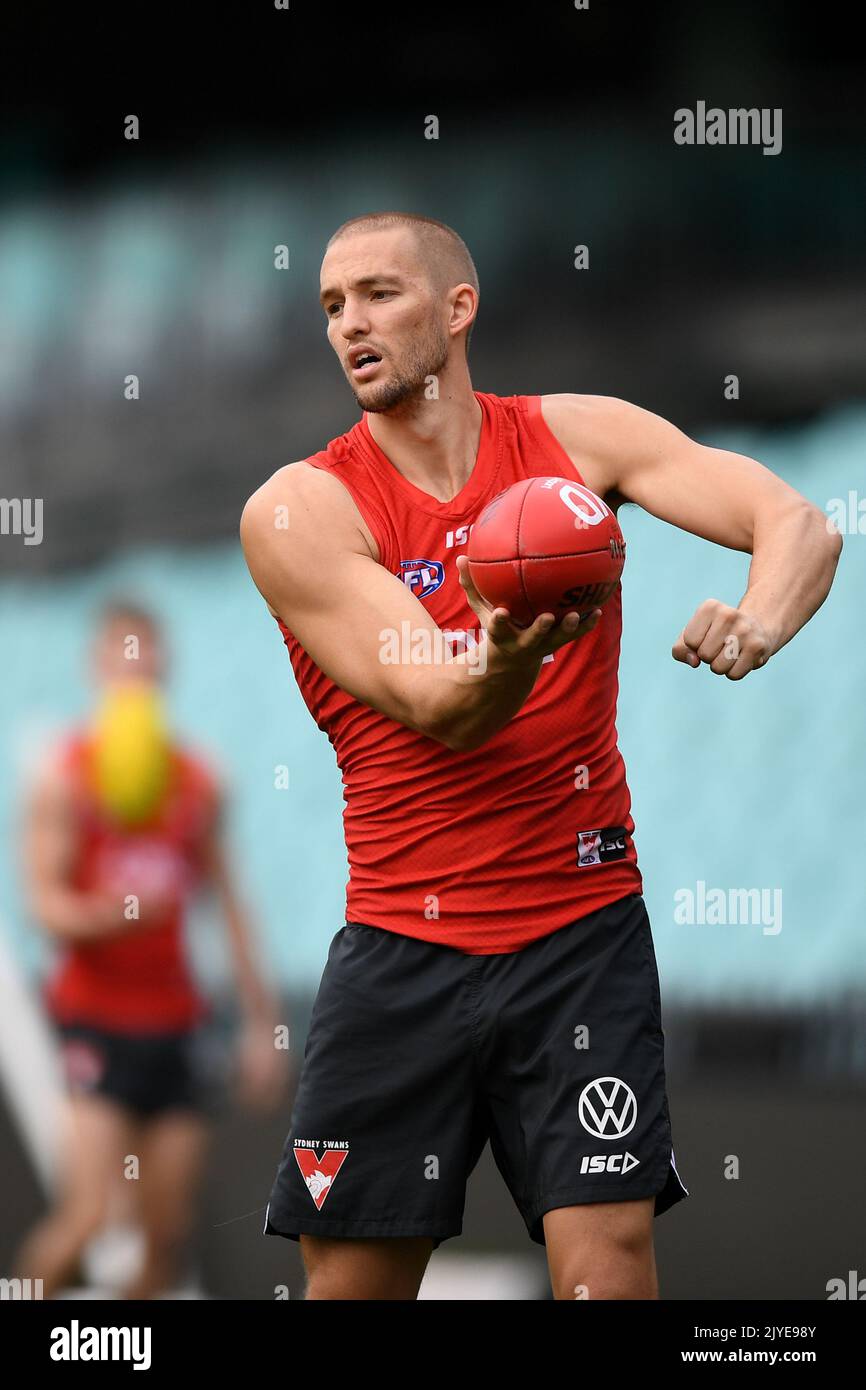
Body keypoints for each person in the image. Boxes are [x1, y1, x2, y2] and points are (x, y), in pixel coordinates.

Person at [240, 211, 842, 1300]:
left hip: (580, 931)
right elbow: (439, 699)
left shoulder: (579, 438)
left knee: (607, 1268)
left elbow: (798, 520)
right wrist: (512, 647)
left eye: (378, 293)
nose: (349, 324)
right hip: (400, 950)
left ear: (458, 308)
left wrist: (755, 624)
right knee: (352, 1292)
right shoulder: (297, 509)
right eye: (331, 305)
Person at [14, 600, 285, 1298]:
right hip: (95, 1022)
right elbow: (45, 906)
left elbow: (231, 906)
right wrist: (113, 916)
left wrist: (261, 1024)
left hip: (176, 1023)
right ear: (97, 670)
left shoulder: (196, 781)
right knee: (93, 1214)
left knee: (166, 1234)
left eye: (147, 658)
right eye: (122, 658)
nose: (135, 672)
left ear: (164, 671)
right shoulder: (64, 777)